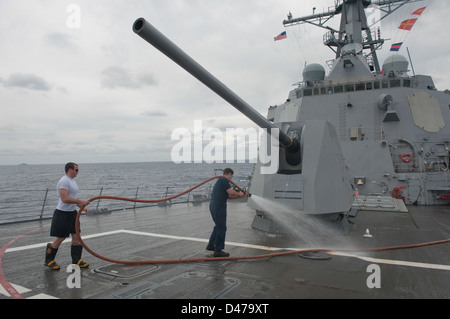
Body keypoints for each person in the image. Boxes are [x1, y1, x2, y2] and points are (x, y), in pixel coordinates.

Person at [44, 162, 91, 270]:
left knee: (76, 235)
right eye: (77, 170)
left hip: (72, 213)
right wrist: (81, 201)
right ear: (70, 170)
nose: (78, 172)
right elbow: (64, 198)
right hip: (62, 213)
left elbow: (72, 198)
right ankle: (49, 259)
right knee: (61, 237)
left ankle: (76, 259)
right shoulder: (64, 181)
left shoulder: (72, 181)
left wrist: (81, 206)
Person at [206, 168, 248, 257]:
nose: (231, 178)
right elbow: (231, 192)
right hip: (219, 205)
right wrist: (240, 194)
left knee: (218, 226)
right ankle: (218, 250)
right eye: (231, 176)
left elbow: (229, 196)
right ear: (229, 174)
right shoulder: (224, 180)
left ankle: (211, 245)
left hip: (214, 204)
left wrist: (240, 196)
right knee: (222, 228)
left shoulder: (220, 180)